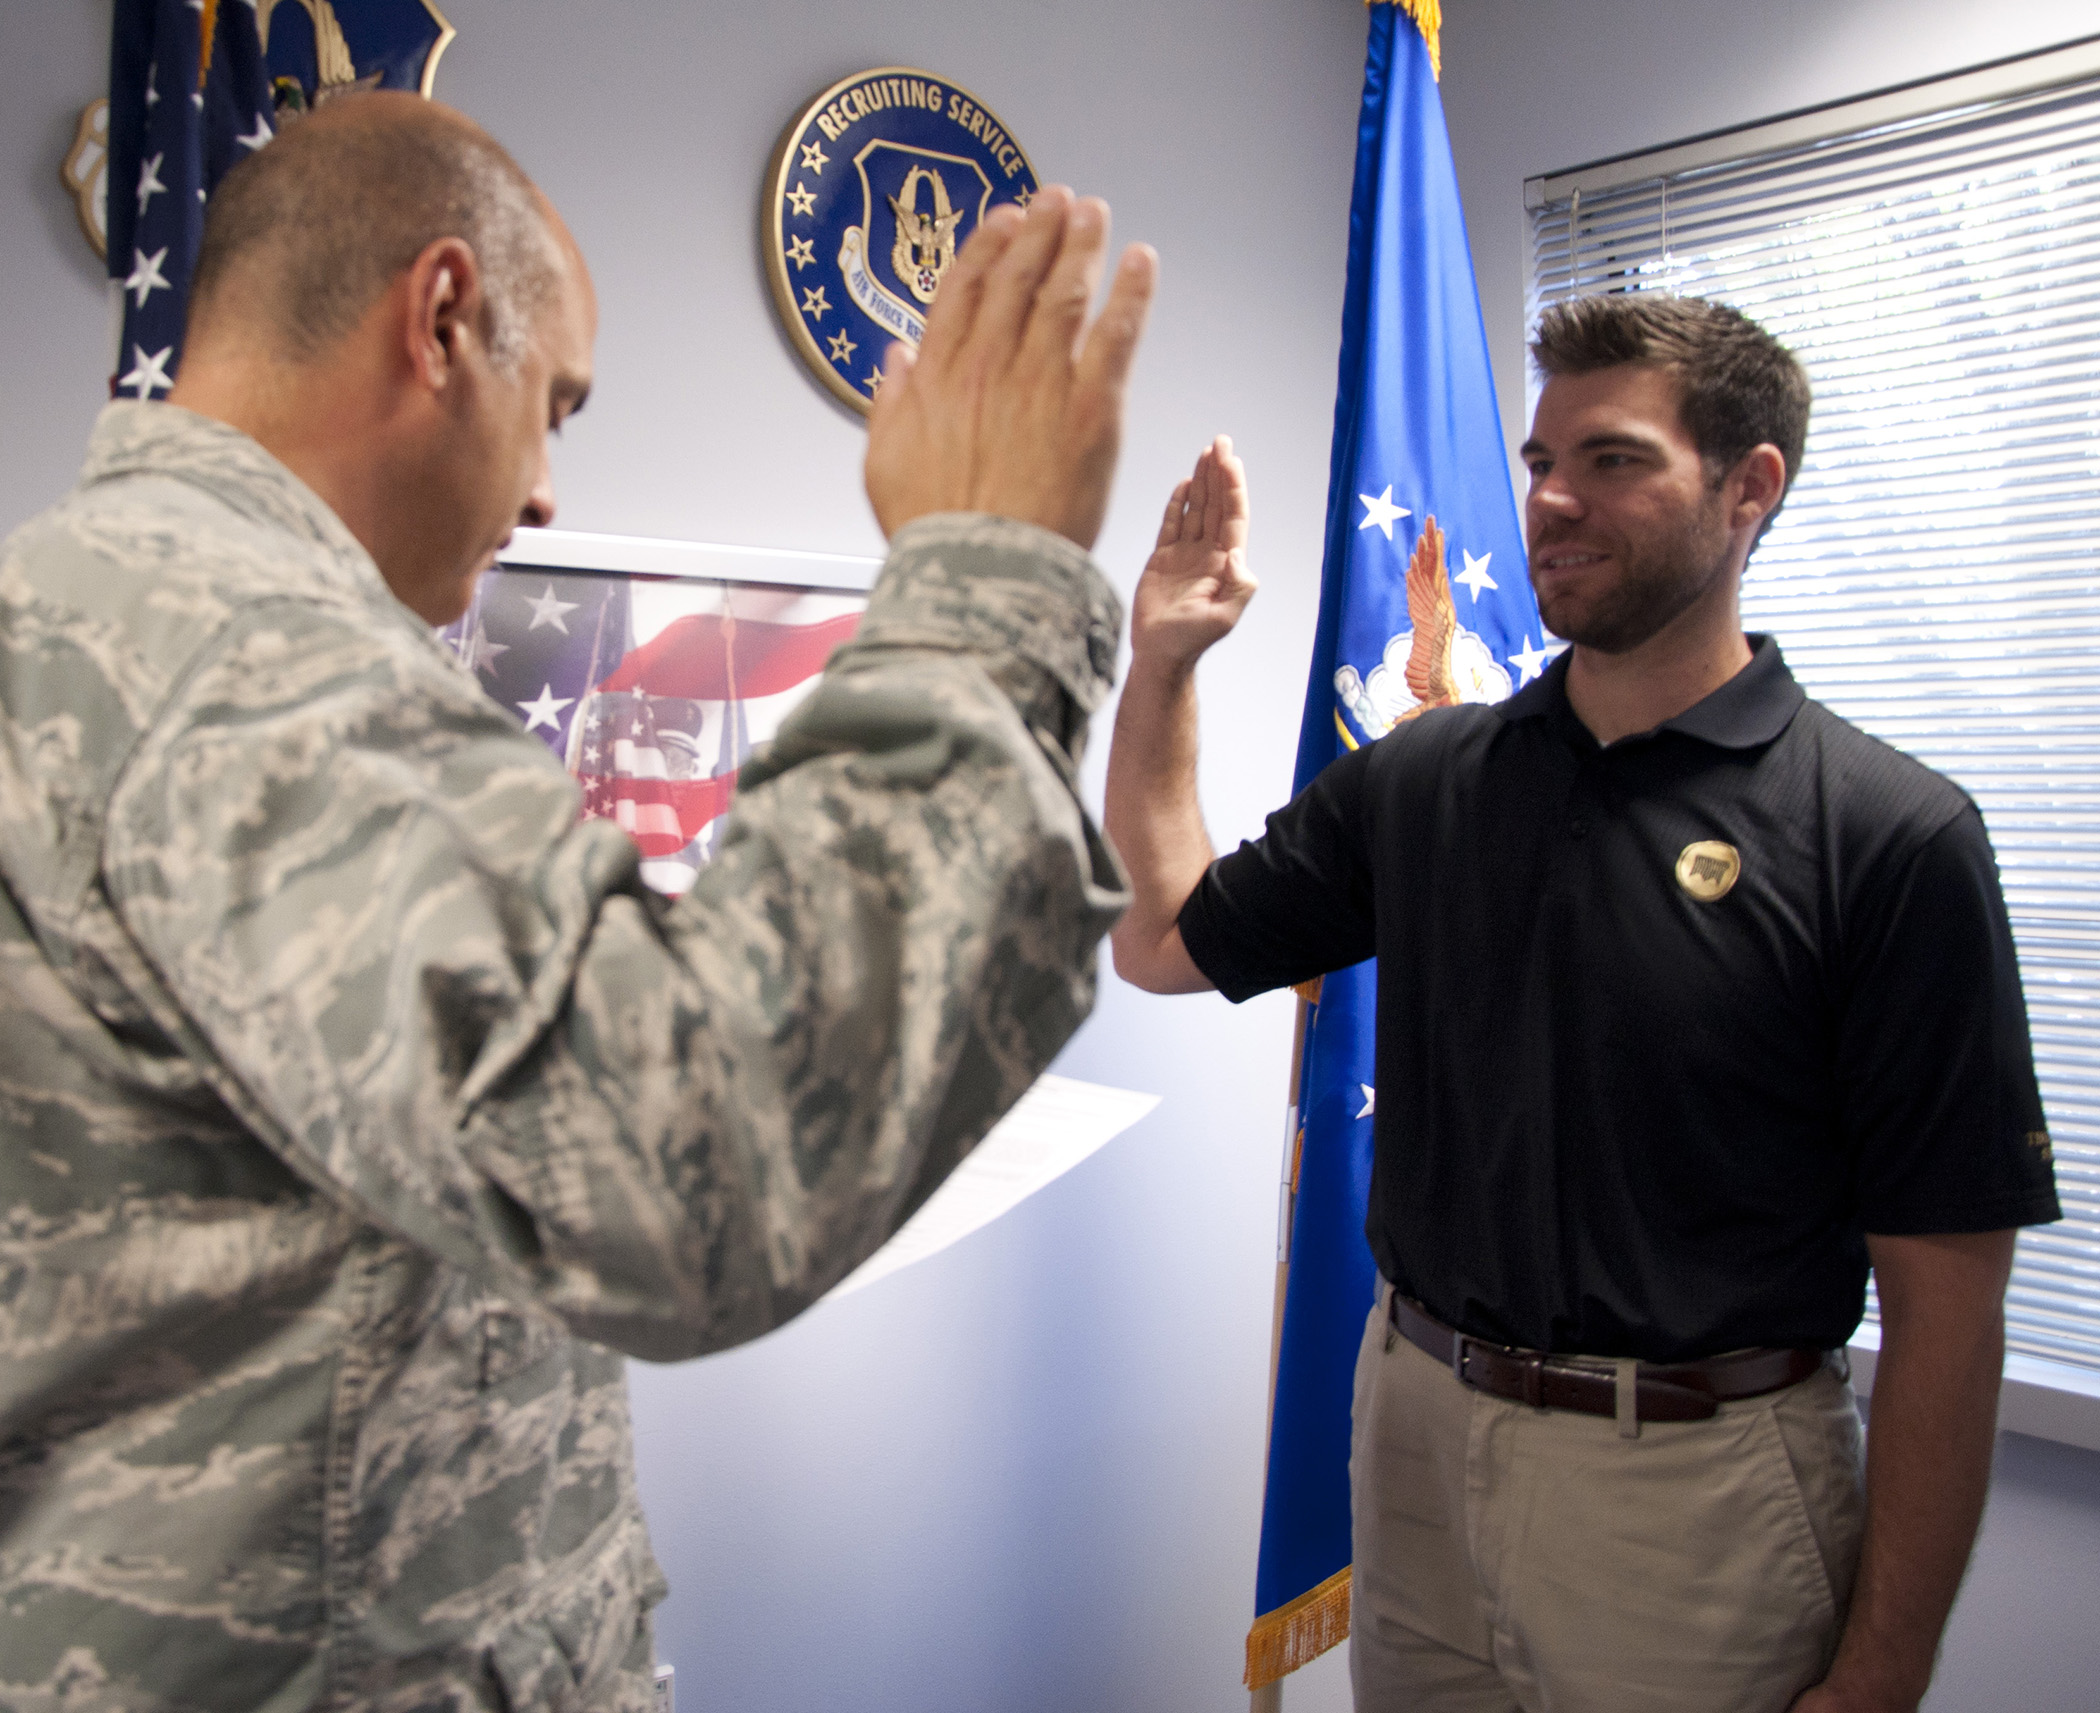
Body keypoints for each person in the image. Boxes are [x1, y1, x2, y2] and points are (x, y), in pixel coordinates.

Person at [0, 93, 1157, 1711]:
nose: (546, 489)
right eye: (556, 404)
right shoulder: (222, 647)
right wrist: (991, 575)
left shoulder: (115, 614)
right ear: (443, 318)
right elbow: (687, 1159)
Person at [1105, 295, 2061, 1712]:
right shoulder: (1428, 780)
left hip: (1694, 1492)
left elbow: (1948, 1305)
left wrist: (1880, 1674)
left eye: (1612, 459)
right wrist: (1166, 665)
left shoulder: (1886, 832)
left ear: (1750, 489)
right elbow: (1167, 939)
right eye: (1541, 458)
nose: (1551, 498)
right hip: (1417, 1435)